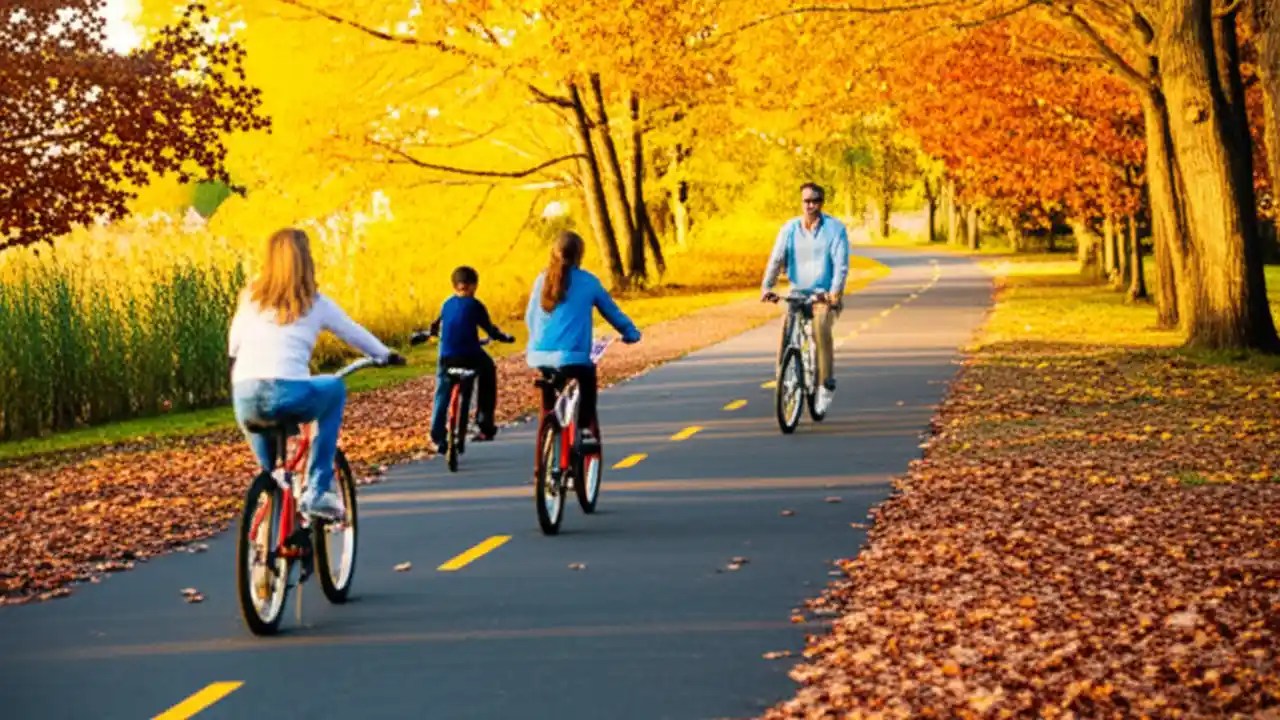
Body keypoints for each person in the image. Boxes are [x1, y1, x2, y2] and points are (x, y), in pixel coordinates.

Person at [228, 227, 403, 520]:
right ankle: (318, 489)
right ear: (306, 261)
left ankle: (265, 527)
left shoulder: (249, 298)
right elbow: (353, 332)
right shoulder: (315, 303)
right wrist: (384, 355)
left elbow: (233, 347)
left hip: (245, 397)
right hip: (289, 392)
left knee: (273, 475)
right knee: (333, 388)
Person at [525, 231, 641, 440]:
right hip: (572, 357)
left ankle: (549, 432)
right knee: (587, 378)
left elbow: (529, 317)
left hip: (538, 356)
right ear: (580, 254)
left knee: (552, 385)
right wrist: (630, 333)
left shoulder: (541, 280)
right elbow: (611, 312)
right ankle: (585, 428)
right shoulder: (588, 282)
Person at [760, 182, 850, 414]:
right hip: (797, 292)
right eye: (806, 201)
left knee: (821, 328)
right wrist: (767, 286)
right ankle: (785, 377)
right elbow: (776, 258)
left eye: (815, 201)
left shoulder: (835, 230)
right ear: (801, 202)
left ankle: (825, 384)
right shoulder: (789, 229)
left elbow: (841, 266)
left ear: (822, 203)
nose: (810, 205)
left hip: (823, 294)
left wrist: (834, 293)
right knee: (787, 330)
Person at [427, 265, 515, 450]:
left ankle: (437, 434)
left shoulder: (447, 304)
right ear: (474, 285)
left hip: (447, 357)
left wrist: (431, 333)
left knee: (442, 389)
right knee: (488, 369)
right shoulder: (475, 305)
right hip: (470, 355)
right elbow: (490, 330)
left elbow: (435, 326)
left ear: (454, 286)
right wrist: (504, 337)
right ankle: (485, 423)